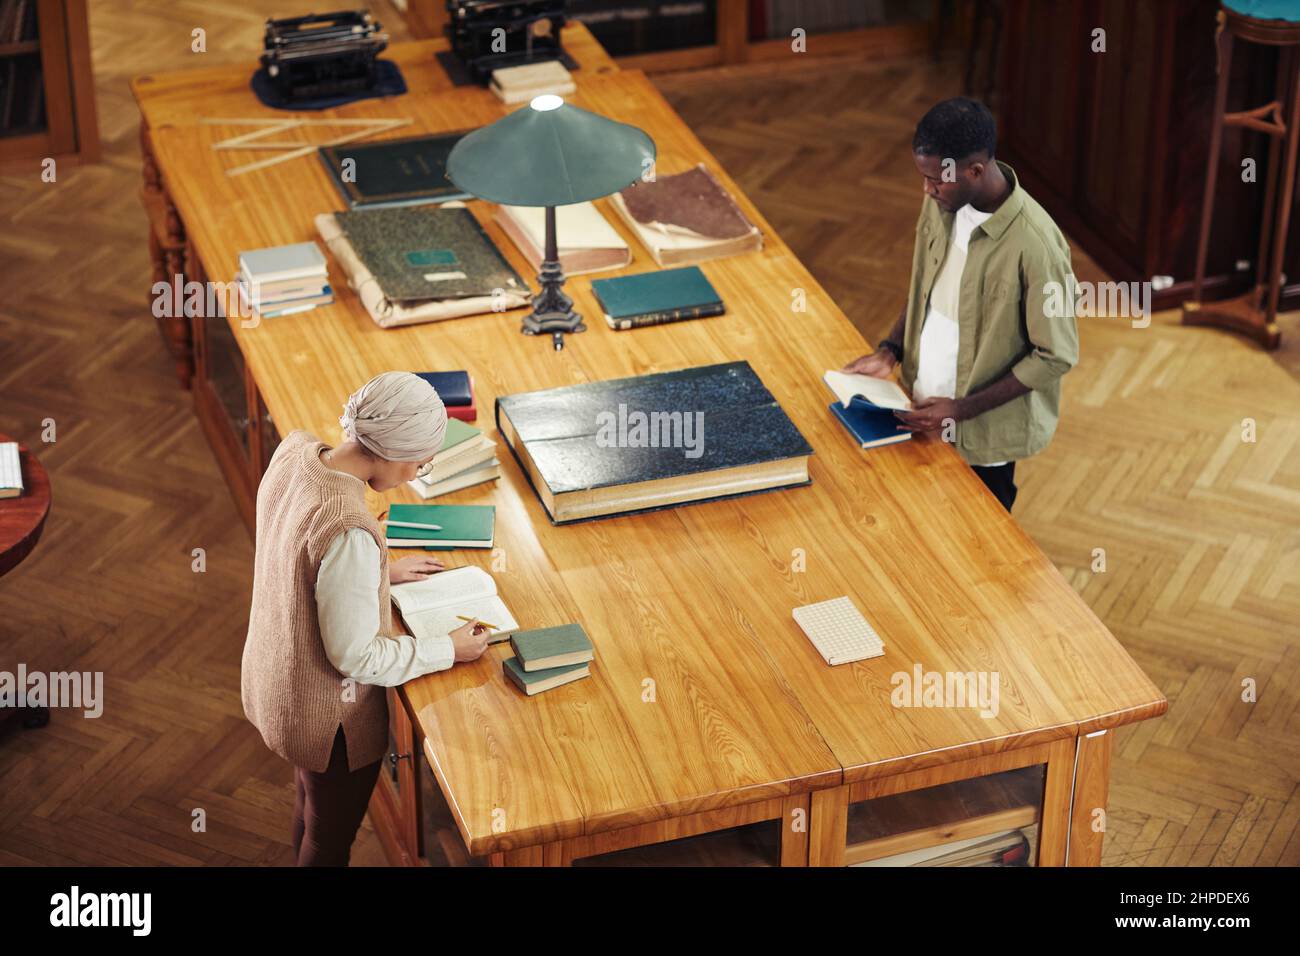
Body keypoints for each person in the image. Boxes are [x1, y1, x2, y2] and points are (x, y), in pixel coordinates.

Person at [241, 371, 489, 866]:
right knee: (329, 838)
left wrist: (374, 573)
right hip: (325, 716)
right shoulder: (349, 530)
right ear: (393, 452)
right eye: (419, 463)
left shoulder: (297, 451)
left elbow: (295, 553)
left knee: (308, 806)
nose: (417, 472)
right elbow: (356, 656)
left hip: (276, 681)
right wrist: (448, 649)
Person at [843, 97, 1079, 512]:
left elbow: (1055, 356)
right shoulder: (943, 201)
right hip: (920, 407)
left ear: (975, 170)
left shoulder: (1036, 247)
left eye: (936, 180)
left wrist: (960, 410)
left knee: (984, 550)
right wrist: (890, 350)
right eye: (924, 177)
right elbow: (924, 287)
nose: (926, 189)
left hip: (981, 434)